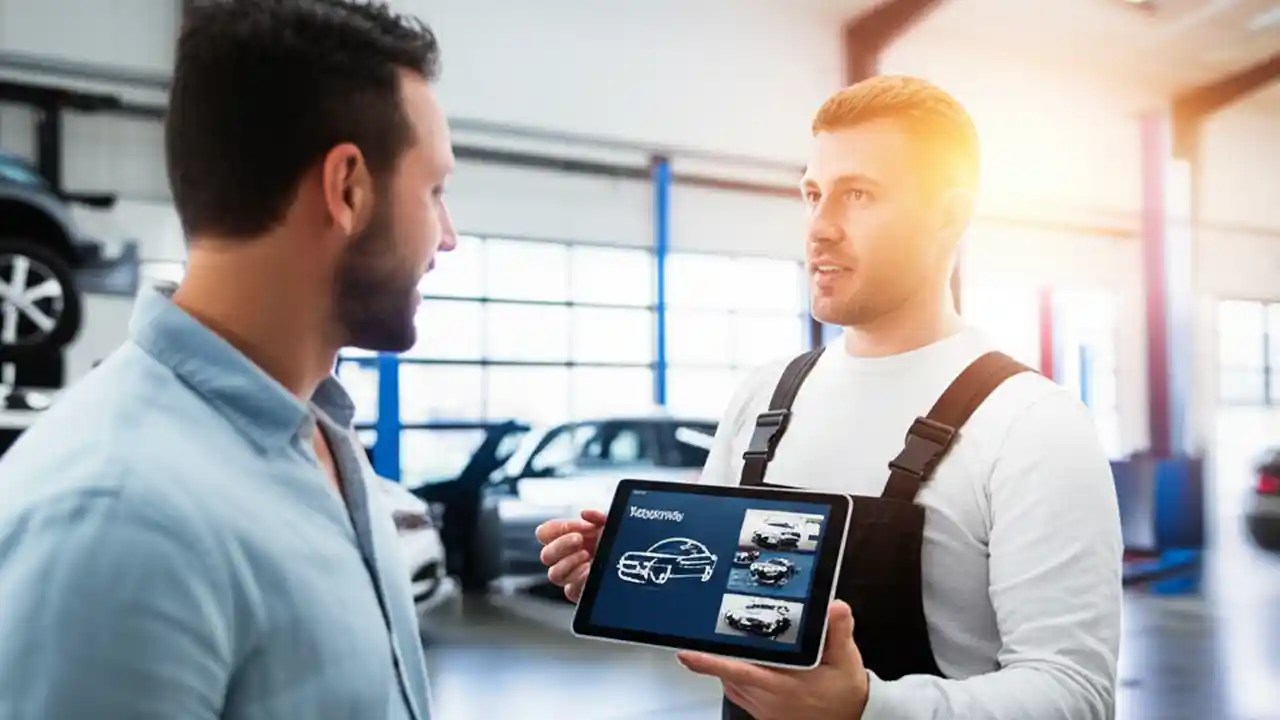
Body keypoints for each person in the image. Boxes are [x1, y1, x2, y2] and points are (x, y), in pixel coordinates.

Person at [537, 75, 1122, 720]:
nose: (819, 228)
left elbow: (1075, 696)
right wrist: (628, 576)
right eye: (813, 194)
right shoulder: (766, 396)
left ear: (950, 216)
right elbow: (722, 600)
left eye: (859, 195)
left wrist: (867, 706)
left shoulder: (1031, 423)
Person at [0, 1, 455, 718]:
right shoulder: (115, 521)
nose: (448, 237)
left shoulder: (316, 438)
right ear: (347, 189)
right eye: (433, 192)